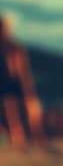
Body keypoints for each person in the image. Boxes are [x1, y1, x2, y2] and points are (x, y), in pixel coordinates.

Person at [0, 16, 43, 147]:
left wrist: (28, 88)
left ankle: (37, 139)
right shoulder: (12, 47)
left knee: (28, 110)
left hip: (16, 82)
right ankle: (17, 140)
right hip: (5, 83)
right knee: (10, 112)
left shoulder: (15, 47)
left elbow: (23, 70)